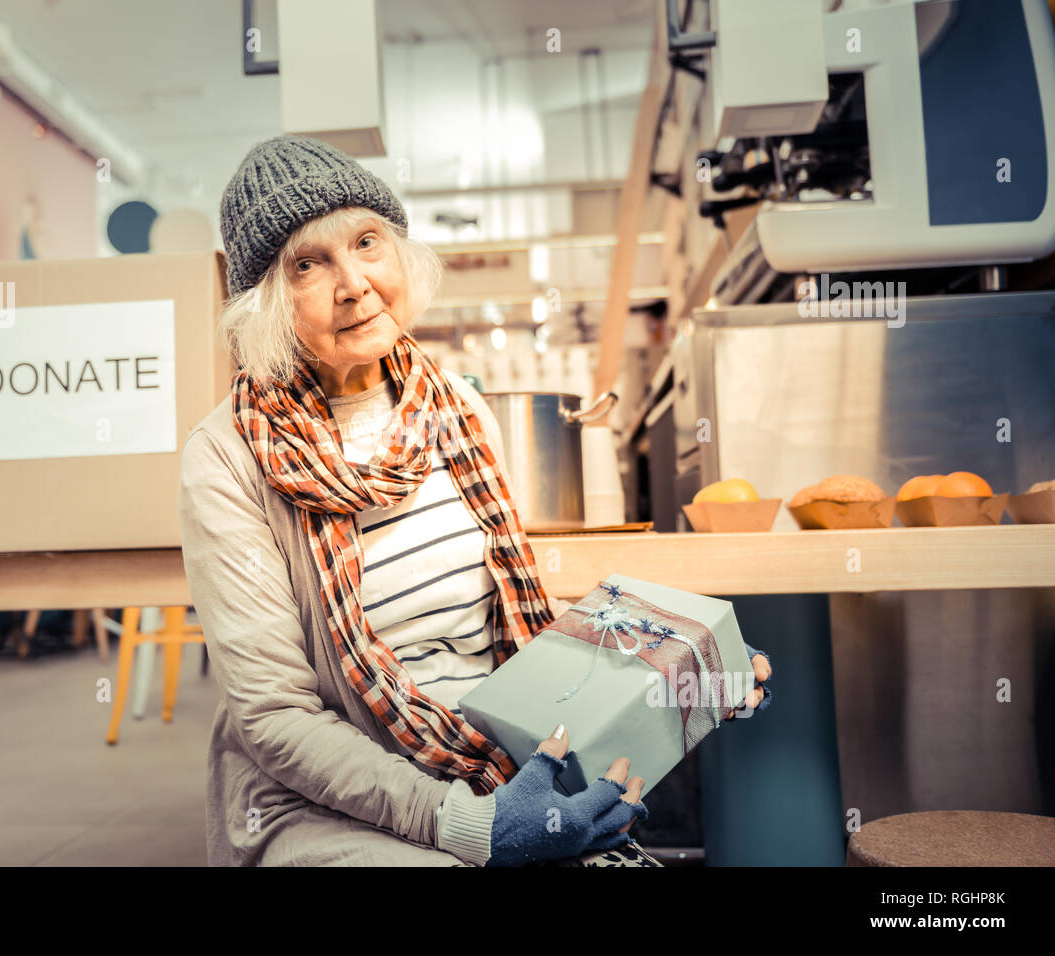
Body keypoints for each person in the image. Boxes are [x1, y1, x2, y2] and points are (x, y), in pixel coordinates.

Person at [179, 134, 773, 867]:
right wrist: (468, 827)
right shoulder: (227, 458)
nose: (354, 283)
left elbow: (519, 635)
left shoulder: (456, 408)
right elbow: (276, 716)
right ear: (266, 300)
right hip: (327, 798)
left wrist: (685, 670)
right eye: (309, 263)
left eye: (367, 242)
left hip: (497, 762)